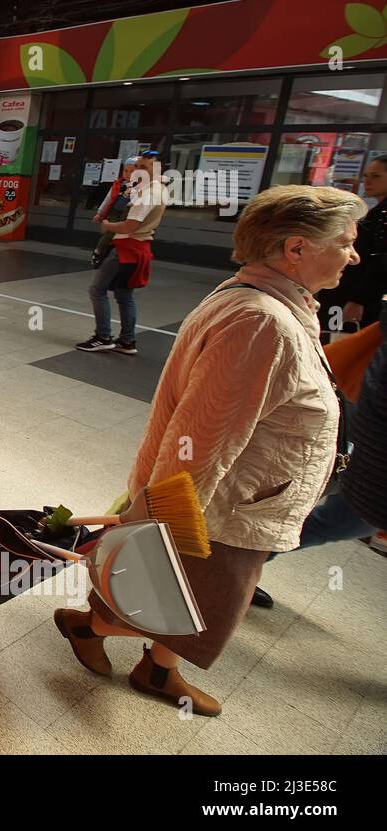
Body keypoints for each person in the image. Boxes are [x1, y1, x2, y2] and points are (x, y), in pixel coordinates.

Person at [55, 185, 365, 715]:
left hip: (237, 499)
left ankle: (156, 665)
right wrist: (165, 520)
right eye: (345, 241)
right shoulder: (261, 321)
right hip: (226, 506)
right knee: (191, 593)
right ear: (295, 249)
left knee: (188, 596)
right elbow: (203, 435)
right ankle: (94, 629)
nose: (353, 255)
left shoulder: (263, 303)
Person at [252, 301, 387, 608]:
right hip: (364, 429)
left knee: (343, 518)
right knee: (334, 509)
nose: (351, 255)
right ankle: (228, 566)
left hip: (359, 426)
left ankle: (238, 565)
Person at [75, 152, 167, 355]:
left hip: (127, 247)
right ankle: (127, 341)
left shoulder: (148, 194)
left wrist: (108, 225)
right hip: (139, 247)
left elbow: (129, 225)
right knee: (124, 295)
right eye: (139, 166)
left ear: (157, 169)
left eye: (146, 166)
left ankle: (103, 337)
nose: (140, 170)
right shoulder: (157, 188)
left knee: (97, 290)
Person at [329, 154, 387, 329]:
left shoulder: (381, 216)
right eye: (366, 176)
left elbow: (380, 260)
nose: (368, 182)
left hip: (360, 298)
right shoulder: (376, 212)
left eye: (376, 176)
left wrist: (358, 299)